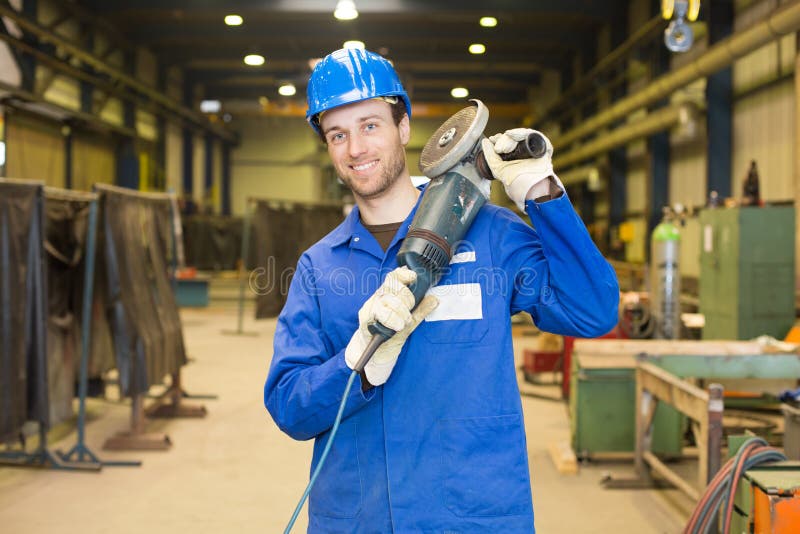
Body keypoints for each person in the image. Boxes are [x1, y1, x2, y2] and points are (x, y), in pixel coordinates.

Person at [264, 48, 619, 533]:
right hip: (360, 520)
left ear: (403, 127)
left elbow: (593, 311)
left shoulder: (488, 234)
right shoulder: (319, 267)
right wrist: (353, 368)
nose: (355, 148)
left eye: (370, 126)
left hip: (471, 519)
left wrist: (542, 193)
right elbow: (289, 406)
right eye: (338, 135)